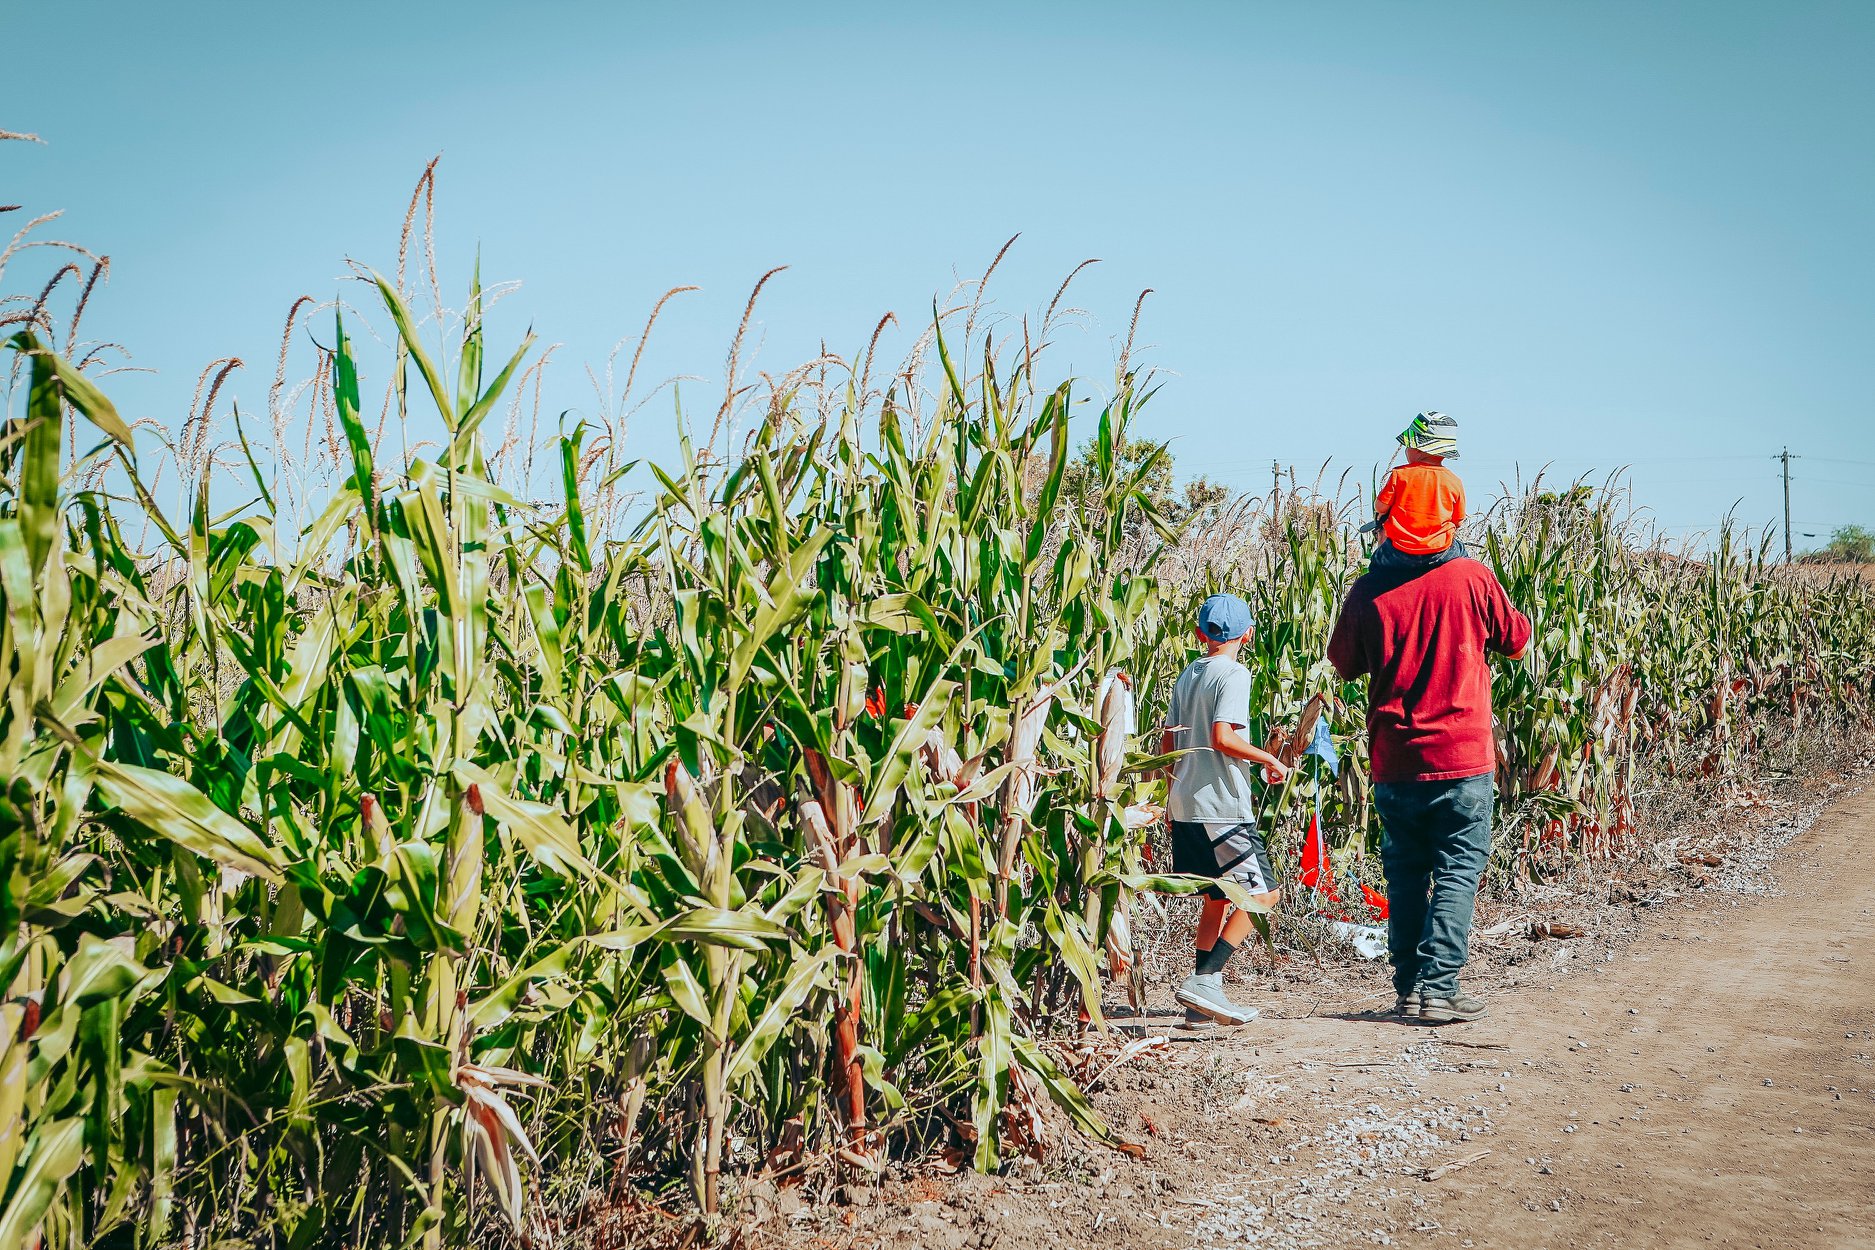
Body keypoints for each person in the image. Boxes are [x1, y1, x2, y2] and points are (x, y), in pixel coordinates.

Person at [1326, 533, 1531, 1023]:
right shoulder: (1472, 577)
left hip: (1395, 757)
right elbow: (1517, 641)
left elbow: (1342, 663)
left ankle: (1410, 989)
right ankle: (1439, 987)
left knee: (1405, 871)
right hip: (1461, 754)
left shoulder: (1368, 589)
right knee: (1458, 867)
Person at [1159, 593, 1291, 1027]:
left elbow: (1168, 739)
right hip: (1221, 806)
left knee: (1215, 896)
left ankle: (1199, 1006)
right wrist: (1268, 759)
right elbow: (1223, 737)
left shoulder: (1188, 674)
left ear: (1200, 634)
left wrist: (1169, 794)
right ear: (1247, 635)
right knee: (1263, 893)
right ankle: (1208, 982)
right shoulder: (1233, 673)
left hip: (1186, 801)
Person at [1366, 412, 1468, 571]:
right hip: (1440, 552)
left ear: (1418, 449)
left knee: (1375, 566)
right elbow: (1458, 521)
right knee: (1465, 558)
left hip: (1400, 551)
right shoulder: (1454, 481)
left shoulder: (1399, 475)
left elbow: (1380, 507)